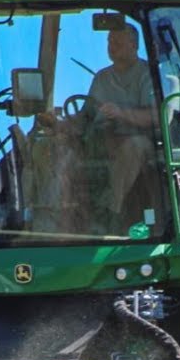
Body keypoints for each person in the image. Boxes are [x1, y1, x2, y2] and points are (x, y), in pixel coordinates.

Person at [38, 23, 160, 234]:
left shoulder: (147, 74)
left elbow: (156, 116)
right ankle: (55, 218)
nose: (112, 46)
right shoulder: (102, 78)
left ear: (134, 45)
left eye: (118, 42)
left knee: (134, 146)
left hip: (139, 142)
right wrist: (58, 125)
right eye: (109, 42)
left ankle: (111, 212)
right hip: (101, 141)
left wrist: (121, 113)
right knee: (51, 147)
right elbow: (85, 117)